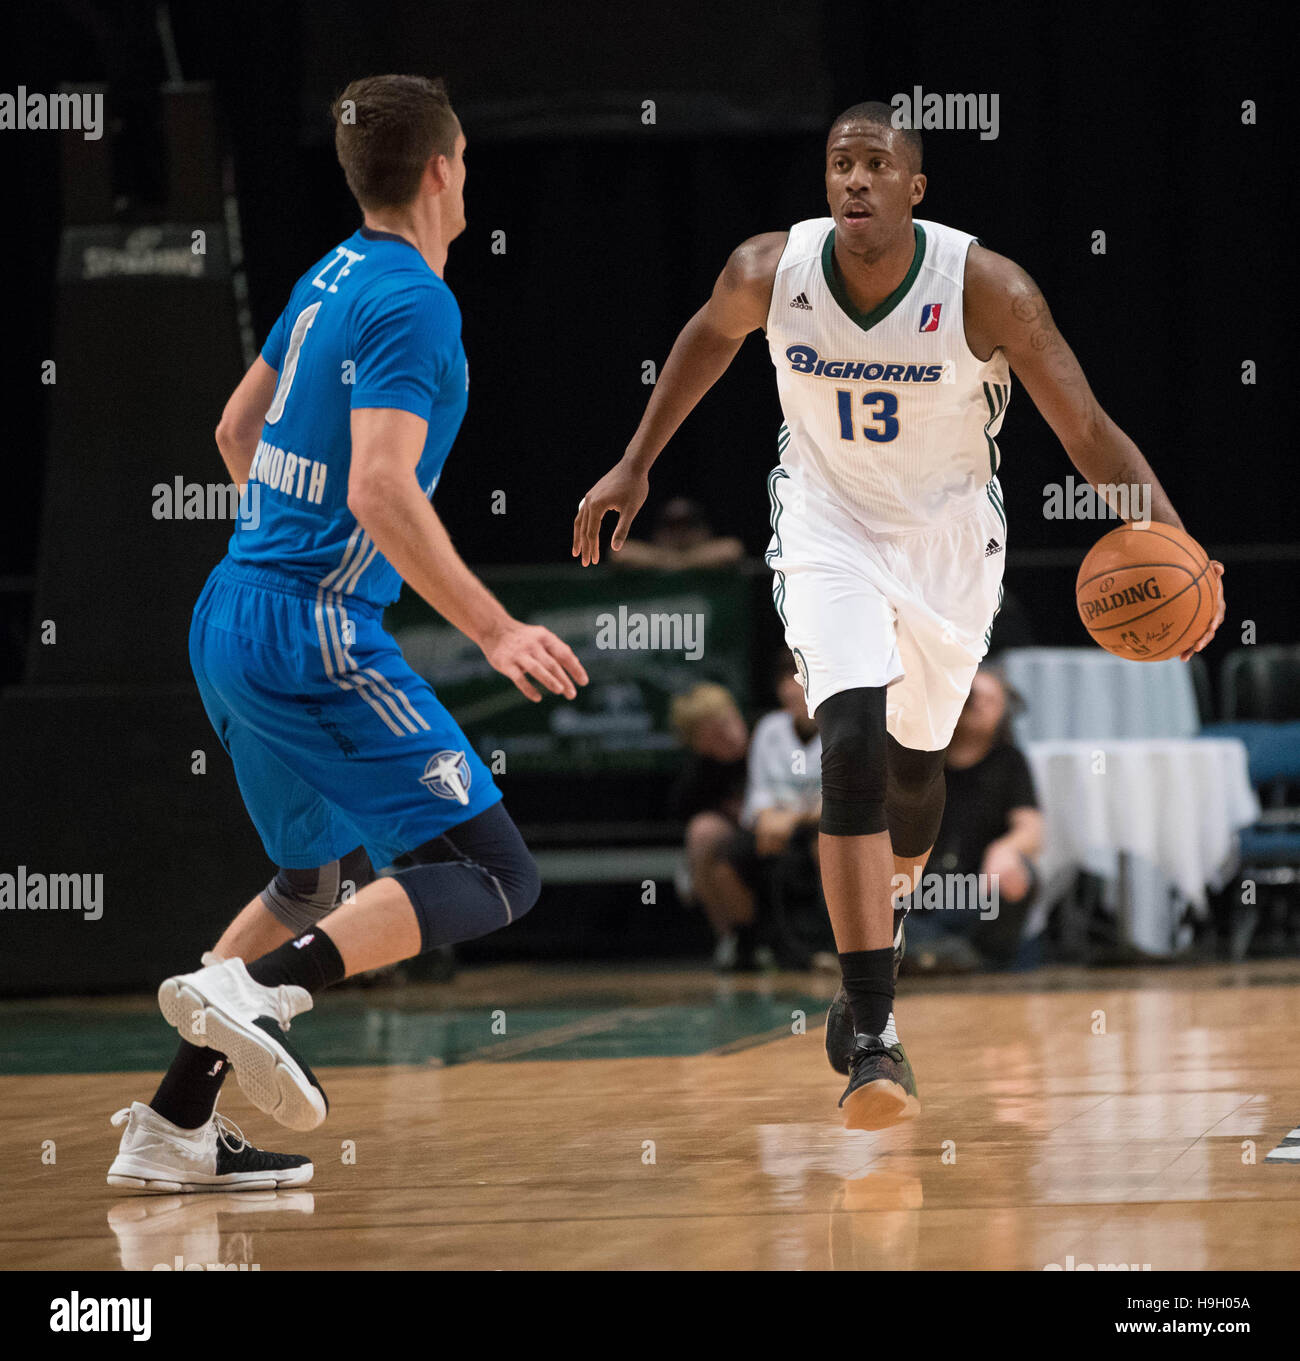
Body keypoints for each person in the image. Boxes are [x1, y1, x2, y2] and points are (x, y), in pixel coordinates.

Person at [573, 100, 1225, 1130]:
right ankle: (873, 1026)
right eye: (840, 165)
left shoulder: (987, 287)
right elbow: (703, 340)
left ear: (914, 187)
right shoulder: (767, 270)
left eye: (877, 164)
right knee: (852, 739)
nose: (856, 181)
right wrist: (635, 463)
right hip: (827, 527)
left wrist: (1179, 544)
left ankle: (867, 954)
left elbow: (1090, 432)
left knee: (917, 770)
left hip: (947, 543)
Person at [107, 74, 587, 1193]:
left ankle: (172, 1125)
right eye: (465, 159)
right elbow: (377, 485)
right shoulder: (416, 299)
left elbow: (235, 428)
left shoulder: (328, 274)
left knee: (309, 877)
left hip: (231, 609)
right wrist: (493, 623)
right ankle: (259, 989)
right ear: (443, 169)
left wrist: (281, 548)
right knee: (492, 869)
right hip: (308, 627)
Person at [902, 665, 1043, 972]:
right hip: (917, 891)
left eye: (990, 699)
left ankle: (965, 957)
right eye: (970, 695)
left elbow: (1031, 828)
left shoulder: (1009, 761)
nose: (977, 703)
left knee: (1019, 873)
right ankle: (925, 951)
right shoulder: (921, 756)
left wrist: (1006, 849)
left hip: (976, 890)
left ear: (1004, 712)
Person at [667, 683, 752, 962]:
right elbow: (684, 814)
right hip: (736, 839)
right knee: (703, 836)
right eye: (715, 735)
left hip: (787, 822)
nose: (729, 735)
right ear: (698, 743)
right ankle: (733, 937)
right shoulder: (697, 777)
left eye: (730, 722)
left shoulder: (768, 733)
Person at [607, 496, 744, 570]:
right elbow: (619, 553)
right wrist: (671, 559)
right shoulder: (650, 557)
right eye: (672, 526)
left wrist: (678, 562)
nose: (680, 533)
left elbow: (732, 549)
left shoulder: (712, 556)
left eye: (687, 525)